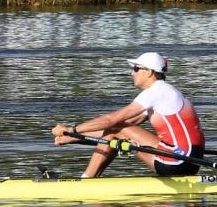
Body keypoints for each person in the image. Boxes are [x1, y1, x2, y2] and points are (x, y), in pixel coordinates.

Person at [50, 52, 204, 178]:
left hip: (177, 162)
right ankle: (89, 178)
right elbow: (114, 130)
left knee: (115, 126)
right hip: (190, 161)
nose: (132, 73)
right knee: (116, 129)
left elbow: (111, 120)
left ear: (149, 72)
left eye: (136, 69)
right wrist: (74, 137)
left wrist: (72, 129)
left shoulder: (157, 92)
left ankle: (86, 180)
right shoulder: (166, 92)